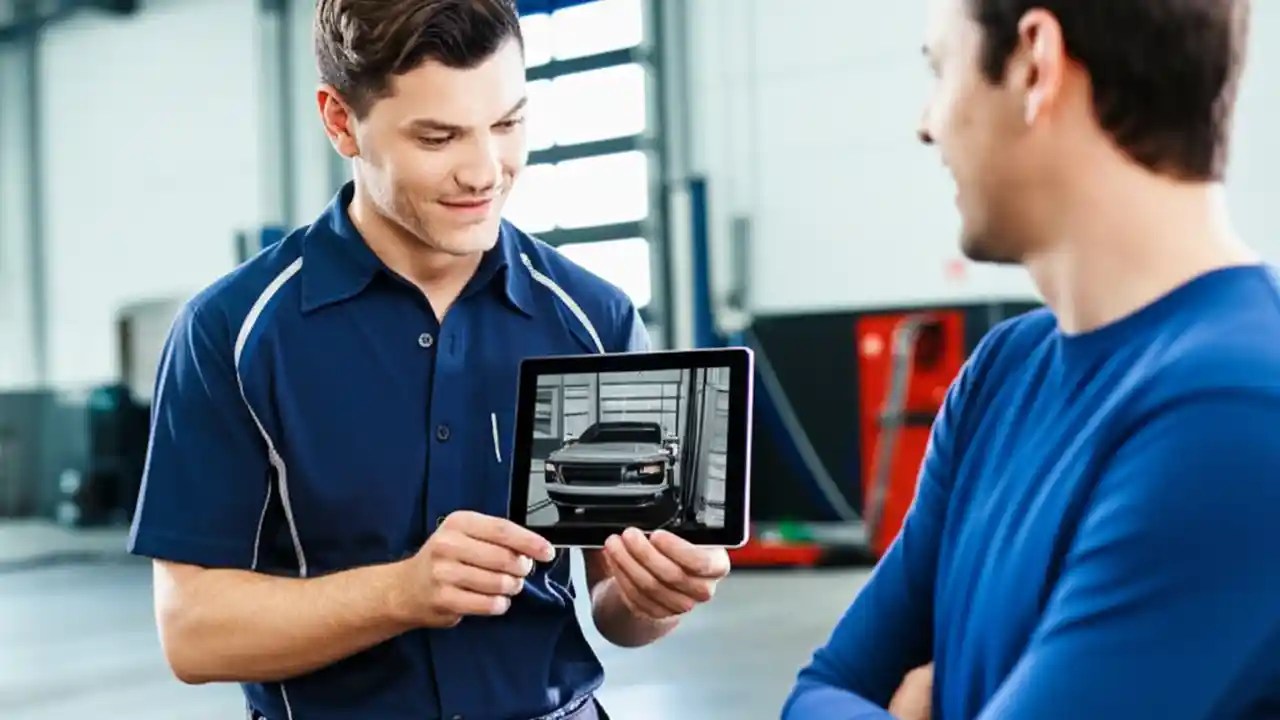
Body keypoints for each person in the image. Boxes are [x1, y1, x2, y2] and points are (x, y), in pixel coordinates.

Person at [127, 1, 730, 718]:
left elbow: (616, 608)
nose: (485, 172)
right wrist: (402, 593)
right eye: (438, 137)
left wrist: (655, 596)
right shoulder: (232, 333)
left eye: (506, 124)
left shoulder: (593, 317)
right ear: (340, 121)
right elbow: (193, 634)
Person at [783, 0, 1280, 718]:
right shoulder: (1002, 373)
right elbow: (817, 692)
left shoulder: (1237, 410)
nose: (927, 124)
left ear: (1033, 65)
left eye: (941, 70)